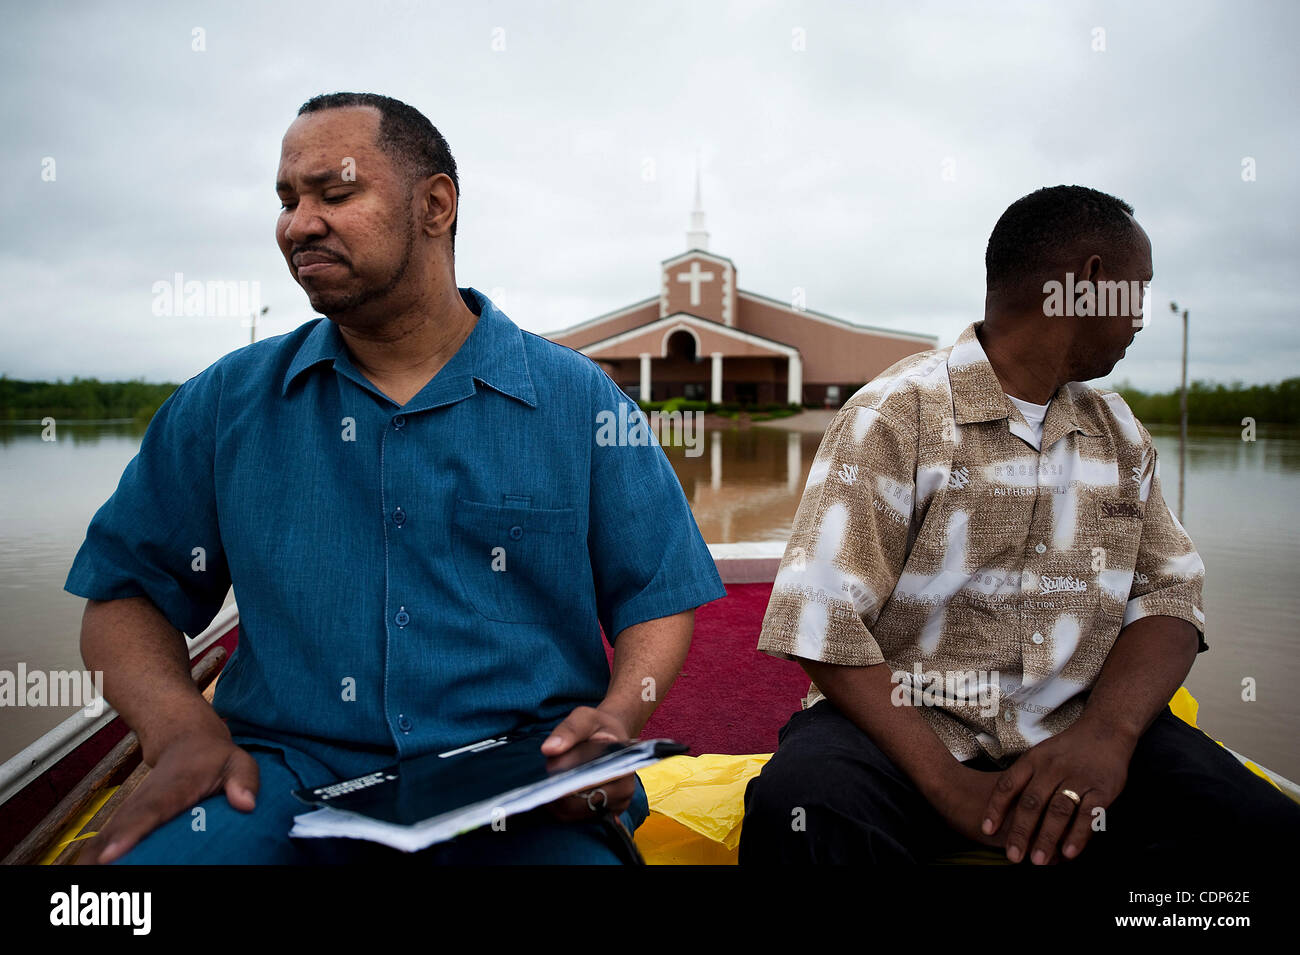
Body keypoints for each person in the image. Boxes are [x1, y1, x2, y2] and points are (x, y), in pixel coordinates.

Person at [65, 92, 725, 865]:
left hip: (521, 779)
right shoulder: (225, 402)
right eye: (286, 200)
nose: (298, 223)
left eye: (334, 193)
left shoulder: (580, 402)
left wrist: (614, 720)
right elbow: (127, 593)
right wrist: (182, 727)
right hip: (278, 777)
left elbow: (657, 594)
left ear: (435, 205)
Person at [739, 185, 1300, 864]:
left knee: (1258, 825)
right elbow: (822, 618)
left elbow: (1170, 598)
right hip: (907, 731)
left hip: (1077, 727)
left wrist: (1109, 734)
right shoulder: (898, 413)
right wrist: (948, 785)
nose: (1142, 318)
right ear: (1091, 282)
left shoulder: (1119, 431)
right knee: (800, 808)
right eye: (1139, 288)